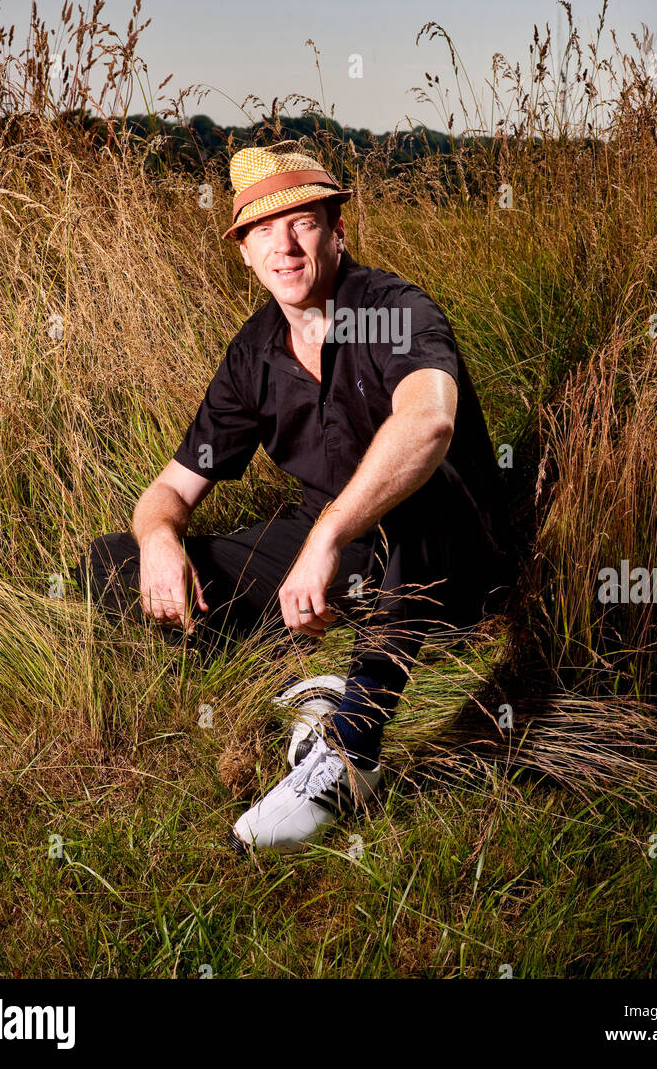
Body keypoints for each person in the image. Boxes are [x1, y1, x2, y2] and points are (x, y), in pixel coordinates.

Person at [75, 143, 513, 854]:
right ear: (244, 252)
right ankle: (311, 682)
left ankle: (349, 754)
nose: (284, 244)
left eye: (302, 222)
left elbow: (429, 422)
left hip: (444, 557)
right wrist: (160, 541)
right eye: (261, 230)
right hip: (336, 560)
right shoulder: (255, 355)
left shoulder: (393, 310)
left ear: (337, 229)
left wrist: (329, 535)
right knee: (114, 562)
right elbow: (171, 489)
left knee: (414, 493)